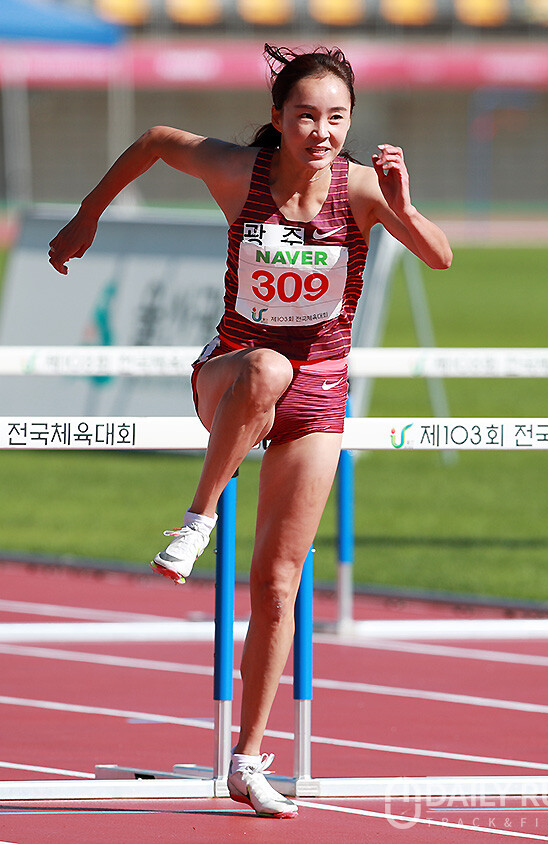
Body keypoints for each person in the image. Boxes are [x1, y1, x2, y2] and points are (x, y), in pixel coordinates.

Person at [49, 43, 452, 818]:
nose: (322, 132)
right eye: (306, 116)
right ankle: (197, 520)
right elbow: (157, 140)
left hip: (319, 397)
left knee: (277, 586)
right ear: (278, 117)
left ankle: (247, 760)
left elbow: (439, 258)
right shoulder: (241, 174)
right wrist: (85, 217)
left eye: (337, 118)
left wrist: (402, 205)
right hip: (231, 378)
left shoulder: (363, 189)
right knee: (267, 368)